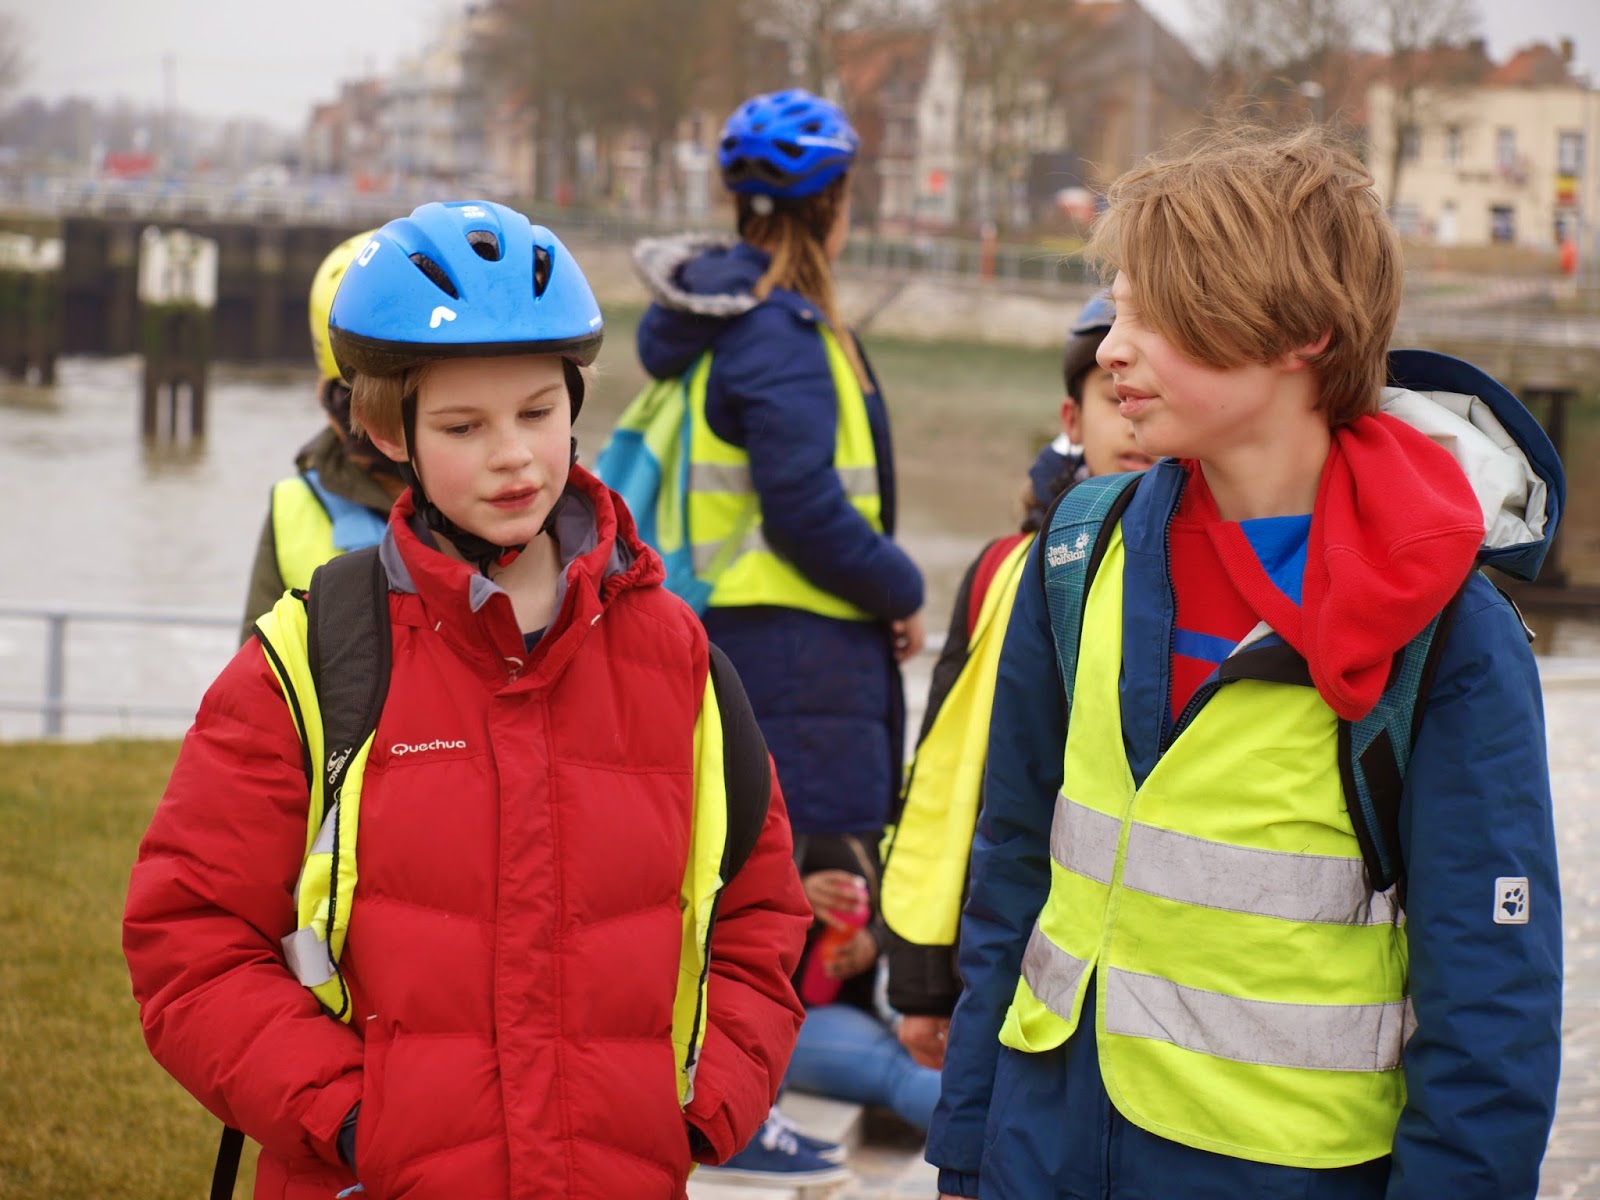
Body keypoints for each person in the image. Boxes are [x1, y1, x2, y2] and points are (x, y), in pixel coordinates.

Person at [124, 200, 812, 1200]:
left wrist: (708, 1099)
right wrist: (351, 1118)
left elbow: (759, 911)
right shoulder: (313, 658)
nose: (516, 456)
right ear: (381, 428)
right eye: (462, 425)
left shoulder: (679, 658)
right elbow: (189, 939)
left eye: (539, 412)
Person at [928, 126, 1564, 1200]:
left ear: (1301, 334)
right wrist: (963, 1153)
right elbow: (1011, 873)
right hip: (1039, 1157)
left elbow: (1490, 1002)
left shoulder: (1451, 632)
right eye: (1115, 306)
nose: (1111, 346)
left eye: (1154, 312)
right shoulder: (1078, 554)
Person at [633, 88, 923, 1186]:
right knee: (771, 893)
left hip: (762, 643)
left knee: (748, 885)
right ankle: (730, 1118)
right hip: (793, 655)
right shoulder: (780, 334)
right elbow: (803, 508)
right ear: (836, 205)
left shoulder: (721, 320)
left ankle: (729, 1102)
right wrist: (899, 587)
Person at [882, 291, 1152, 1072]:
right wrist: (927, 981)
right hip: (1011, 959)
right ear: (1072, 422)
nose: (1133, 421)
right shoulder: (1008, 571)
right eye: (1113, 400)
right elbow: (945, 778)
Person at [238, 230, 405, 642]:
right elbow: (256, 681)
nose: (377, 427)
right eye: (354, 402)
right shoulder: (292, 509)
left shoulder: (502, 501)